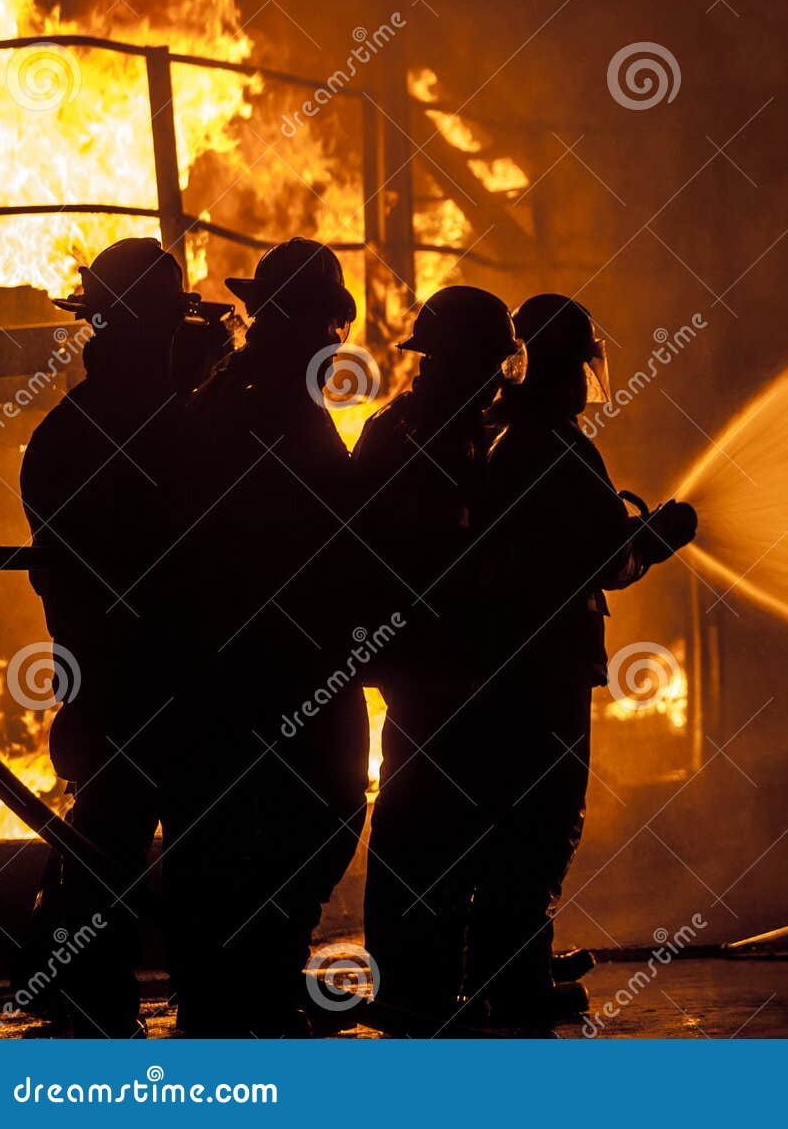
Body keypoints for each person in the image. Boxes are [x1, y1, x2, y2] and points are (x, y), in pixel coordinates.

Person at [464, 294, 697, 1027]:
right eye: (578, 364)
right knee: (544, 817)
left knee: (512, 817)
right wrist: (656, 538)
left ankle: (507, 962)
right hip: (547, 666)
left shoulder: (508, 439)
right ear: (564, 366)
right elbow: (600, 557)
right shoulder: (555, 447)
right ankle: (518, 981)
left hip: (514, 662)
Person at [166, 238, 370, 1036]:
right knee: (312, 807)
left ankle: (243, 987)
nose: (333, 341)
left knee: (259, 817)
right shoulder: (266, 408)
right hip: (275, 661)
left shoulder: (240, 396)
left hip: (249, 657)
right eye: (324, 324)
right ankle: (253, 989)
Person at [17, 238, 198, 1036]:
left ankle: (84, 993)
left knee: (106, 832)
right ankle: (103, 993)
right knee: (129, 834)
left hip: (109, 675)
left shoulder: (68, 432)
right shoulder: (170, 428)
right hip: (152, 675)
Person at [353, 286, 516, 1026]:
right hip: (437, 663)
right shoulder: (429, 440)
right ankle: (419, 991)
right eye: (486, 365)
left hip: (431, 663)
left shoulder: (415, 428)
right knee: (428, 820)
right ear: (458, 362)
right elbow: (439, 560)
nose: (494, 383)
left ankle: (425, 983)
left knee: (430, 816)